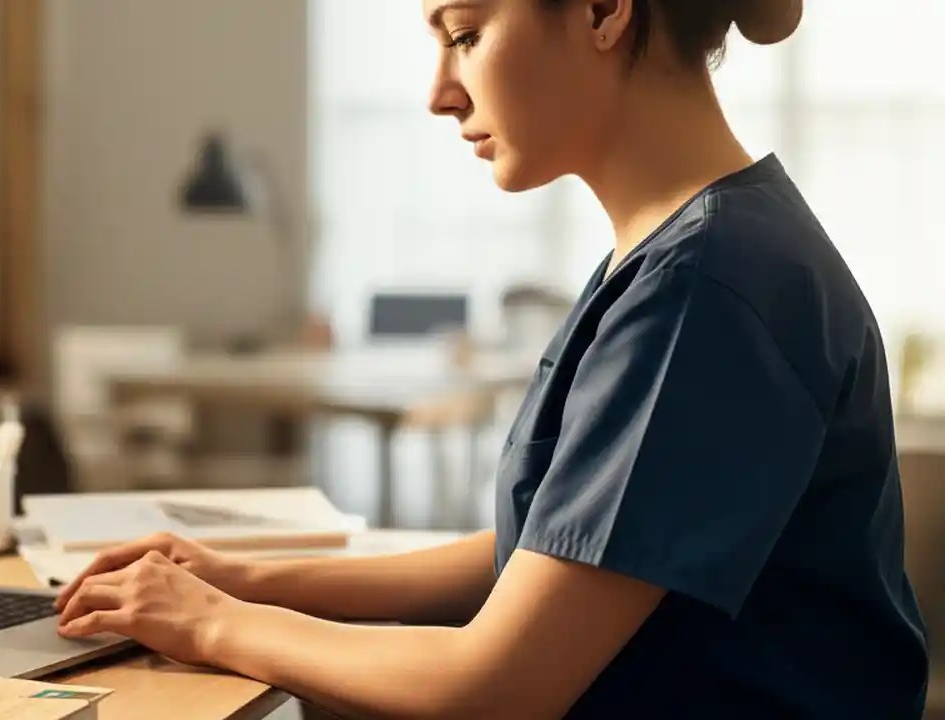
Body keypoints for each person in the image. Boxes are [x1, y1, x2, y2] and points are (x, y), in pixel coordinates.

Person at [54, 1, 929, 716]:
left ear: (602, 11)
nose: (441, 93)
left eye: (465, 35)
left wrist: (209, 623)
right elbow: (550, 556)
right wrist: (248, 581)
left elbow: (496, 685)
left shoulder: (712, 283)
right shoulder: (680, 253)